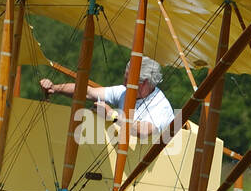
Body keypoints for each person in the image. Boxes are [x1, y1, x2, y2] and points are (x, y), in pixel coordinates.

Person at [39, 57, 175, 139]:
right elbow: (88, 92)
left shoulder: (161, 106)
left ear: (144, 82)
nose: (124, 84)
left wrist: (111, 114)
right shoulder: (125, 91)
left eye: (128, 81)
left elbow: (144, 131)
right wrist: (55, 88)